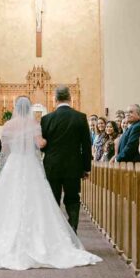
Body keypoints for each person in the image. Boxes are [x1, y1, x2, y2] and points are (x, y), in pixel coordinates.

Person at [0, 95, 100, 270]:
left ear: (15, 108)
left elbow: (5, 150)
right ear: (29, 108)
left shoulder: (8, 125)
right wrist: (51, 140)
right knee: (36, 201)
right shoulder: (33, 124)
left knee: (9, 201)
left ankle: (1, 240)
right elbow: (41, 143)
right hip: (30, 165)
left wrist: (4, 168)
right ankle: (43, 240)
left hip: (13, 165)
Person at [39, 85, 93, 233]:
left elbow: (42, 146)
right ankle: (73, 228)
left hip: (52, 165)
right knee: (72, 198)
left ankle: (55, 232)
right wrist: (86, 167)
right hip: (73, 165)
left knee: (53, 199)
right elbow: (86, 145)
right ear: (70, 98)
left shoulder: (46, 119)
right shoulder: (80, 117)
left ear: (55, 99)